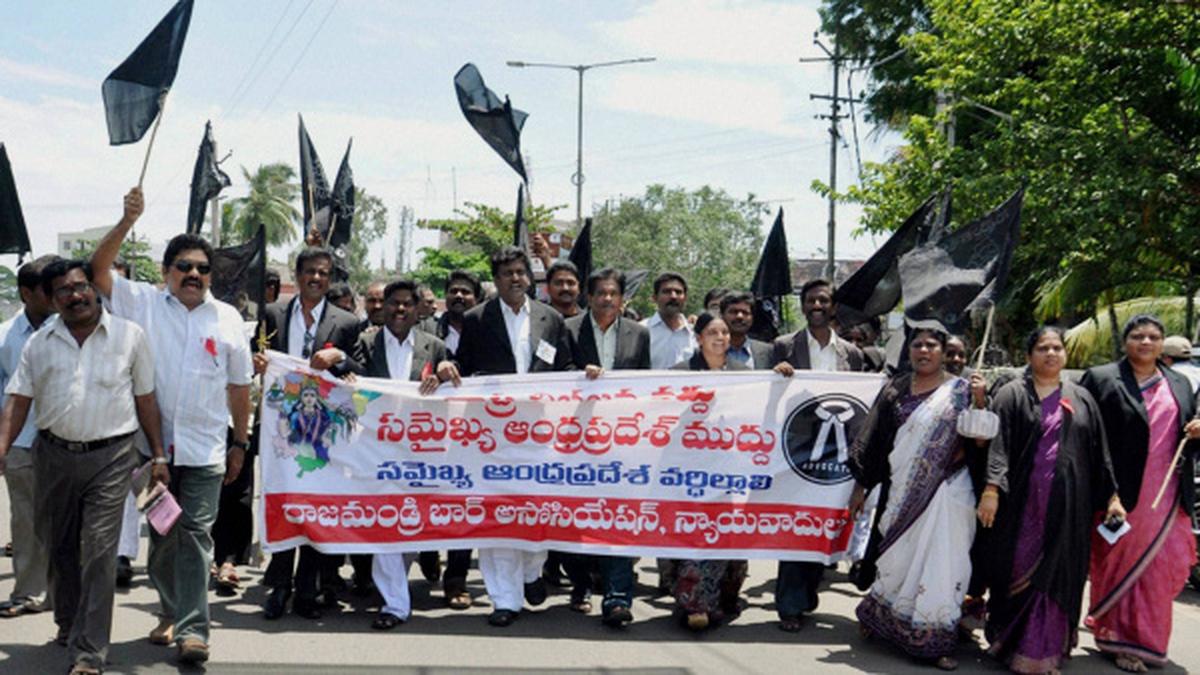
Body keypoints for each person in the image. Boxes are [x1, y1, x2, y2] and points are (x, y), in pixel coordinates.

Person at [91, 188, 254, 664]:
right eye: (184, 266)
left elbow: (240, 388)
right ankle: (169, 610)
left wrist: (239, 442)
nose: (195, 275)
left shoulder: (227, 320)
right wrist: (126, 221)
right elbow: (99, 270)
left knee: (196, 534)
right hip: (149, 452)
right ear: (166, 273)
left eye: (203, 269)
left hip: (205, 452)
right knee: (162, 538)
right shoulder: (141, 302)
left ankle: (193, 630)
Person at [0, 258, 169, 675]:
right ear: (52, 300)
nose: (75, 296)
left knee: (98, 552)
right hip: (53, 456)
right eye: (63, 291)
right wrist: (2, 448)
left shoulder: (130, 336)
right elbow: (18, 400)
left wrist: (159, 455)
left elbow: (146, 399)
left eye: (80, 287)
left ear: (93, 289)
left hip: (111, 458)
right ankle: (68, 620)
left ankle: (89, 652)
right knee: (59, 545)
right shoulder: (39, 343)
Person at [439, 246, 572, 627]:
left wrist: (588, 374)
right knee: (496, 516)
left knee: (539, 508)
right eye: (508, 273)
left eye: (520, 272)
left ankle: (533, 570)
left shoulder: (550, 318)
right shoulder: (478, 319)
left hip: (540, 433)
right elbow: (464, 364)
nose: (516, 279)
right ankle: (504, 600)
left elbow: (566, 367)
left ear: (529, 276)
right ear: (496, 280)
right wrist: (451, 366)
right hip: (493, 436)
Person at [978, 326, 1122, 673]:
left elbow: (1099, 452)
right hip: (1022, 508)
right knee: (1015, 571)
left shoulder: (1082, 398)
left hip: (1070, 510)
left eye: (1057, 347)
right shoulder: (1012, 394)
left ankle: (1045, 651)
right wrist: (992, 489)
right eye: (1043, 347)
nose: (1051, 353)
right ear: (1029, 355)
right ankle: (1008, 642)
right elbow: (997, 448)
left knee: (1059, 577)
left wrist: (1113, 498)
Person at [848, 327, 988, 670]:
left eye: (931, 345)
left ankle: (935, 638)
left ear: (943, 351)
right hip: (901, 494)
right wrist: (860, 487)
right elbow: (874, 441)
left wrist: (981, 401)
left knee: (944, 563)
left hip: (950, 491)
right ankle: (882, 620)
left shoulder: (963, 391)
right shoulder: (895, 389)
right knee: (896, 560)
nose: (924, 350)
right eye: (917, 344)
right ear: (909, 349)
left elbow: (982, 441)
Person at [1079, 315, 1200, 672]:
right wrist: (1103, 490)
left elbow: (1184, 437)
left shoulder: (1178, 383)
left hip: (1167, 497)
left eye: (1153, 336)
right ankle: (1121, 638)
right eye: (1137, 336)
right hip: (1119, 493)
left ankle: (1143, 637)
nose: (1145, 342)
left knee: (1166, 569)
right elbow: (1086, 435)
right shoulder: (1102, 379)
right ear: (1125, 341)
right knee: (1116, 564)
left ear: (1162, 344)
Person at [256, 247, 363, 621]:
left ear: (329, 278)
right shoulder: (271, 314)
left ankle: (306, 590)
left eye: (323, 273)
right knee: (284, 502)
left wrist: (340, 360)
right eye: (310, 272)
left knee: (317, 506)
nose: (316, 278)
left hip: (324, 432)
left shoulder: (347, 322)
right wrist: (259, 365)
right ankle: (279, 586)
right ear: (297, 275)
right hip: (281, 427)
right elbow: (258, 358)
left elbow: (360, 370)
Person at [668, 313, 793, 631]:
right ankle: (695, 604)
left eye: (724, 332)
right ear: (698, 338)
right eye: (712, 332)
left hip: (731, 471)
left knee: (727, 534)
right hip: (692, 472)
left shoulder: (745, 374)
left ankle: (722, 599)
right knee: (695, 535)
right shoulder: (681, 374)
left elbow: (762, 408)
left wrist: (778, 377)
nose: (721, 337)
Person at [350, 279, 449, 630]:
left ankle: (397, 586)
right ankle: (395, 603)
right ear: (384, 306)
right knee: (385, 524)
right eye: (394, 303)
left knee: (409, 524)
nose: (400, 310)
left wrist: (446, 374)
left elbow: (454, 391)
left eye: (408, 303)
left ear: (418, 308)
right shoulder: (365, 342)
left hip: (420, 450)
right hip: (377, 449)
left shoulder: (435, 347)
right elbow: (352, 383)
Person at [771, 278, 866, 632]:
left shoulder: (851, 354)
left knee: (822, 526)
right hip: (795, 452)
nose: (816, 306)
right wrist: (777, 377)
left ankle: (806, 595)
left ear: (833, 307)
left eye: (823, 301)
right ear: (802, 306)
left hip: (837, 454)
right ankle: (789, 606)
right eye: (810, 300)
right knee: (795, 526)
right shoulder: (783, 346)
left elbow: (858, 405)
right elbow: (770, 399)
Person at [564, 268, 652, 627]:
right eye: (600, 293)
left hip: (623, 442)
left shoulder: (639, 334)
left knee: (620, 516)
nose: (607, 299)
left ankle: (617, 599)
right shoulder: (567, 329)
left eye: (613, 293)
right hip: (576, 440)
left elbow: (645, 382)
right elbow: (556, 372)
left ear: (621, 298)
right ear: (588, 298)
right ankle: (581, 584)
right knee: (575, 517)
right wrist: (578, 374)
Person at [0, 254, 60, 619]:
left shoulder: (71, 327)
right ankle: (27, 591)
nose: (56, 296)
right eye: (47, 290)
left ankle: (62, 595)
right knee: (26, 520)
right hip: (22, 443)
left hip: (67, 441)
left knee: (65, 522)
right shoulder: (5, 336)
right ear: (26, 293)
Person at [420, 269, 482, 596]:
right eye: (453, 291)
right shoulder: (427, 329)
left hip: (473, 432)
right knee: (430, 496)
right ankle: (428, 552)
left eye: (466, 292)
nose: (459, 297)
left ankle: (457, 576)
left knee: (465, 501)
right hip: (429, 432)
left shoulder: (486, 329)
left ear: (477, 298)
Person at [642, 272, 695, 369]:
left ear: (685, 298)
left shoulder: (695, 334)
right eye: (666, 291)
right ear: (655, 298)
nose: (673, 296)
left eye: (678, 292)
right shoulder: (641, 331)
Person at [720, 291, 772, 368]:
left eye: (745, 313)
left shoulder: (768, 352)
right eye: (734, 312)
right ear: (722, 316)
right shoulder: (707, 350)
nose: (740, 316)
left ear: (752, 318)